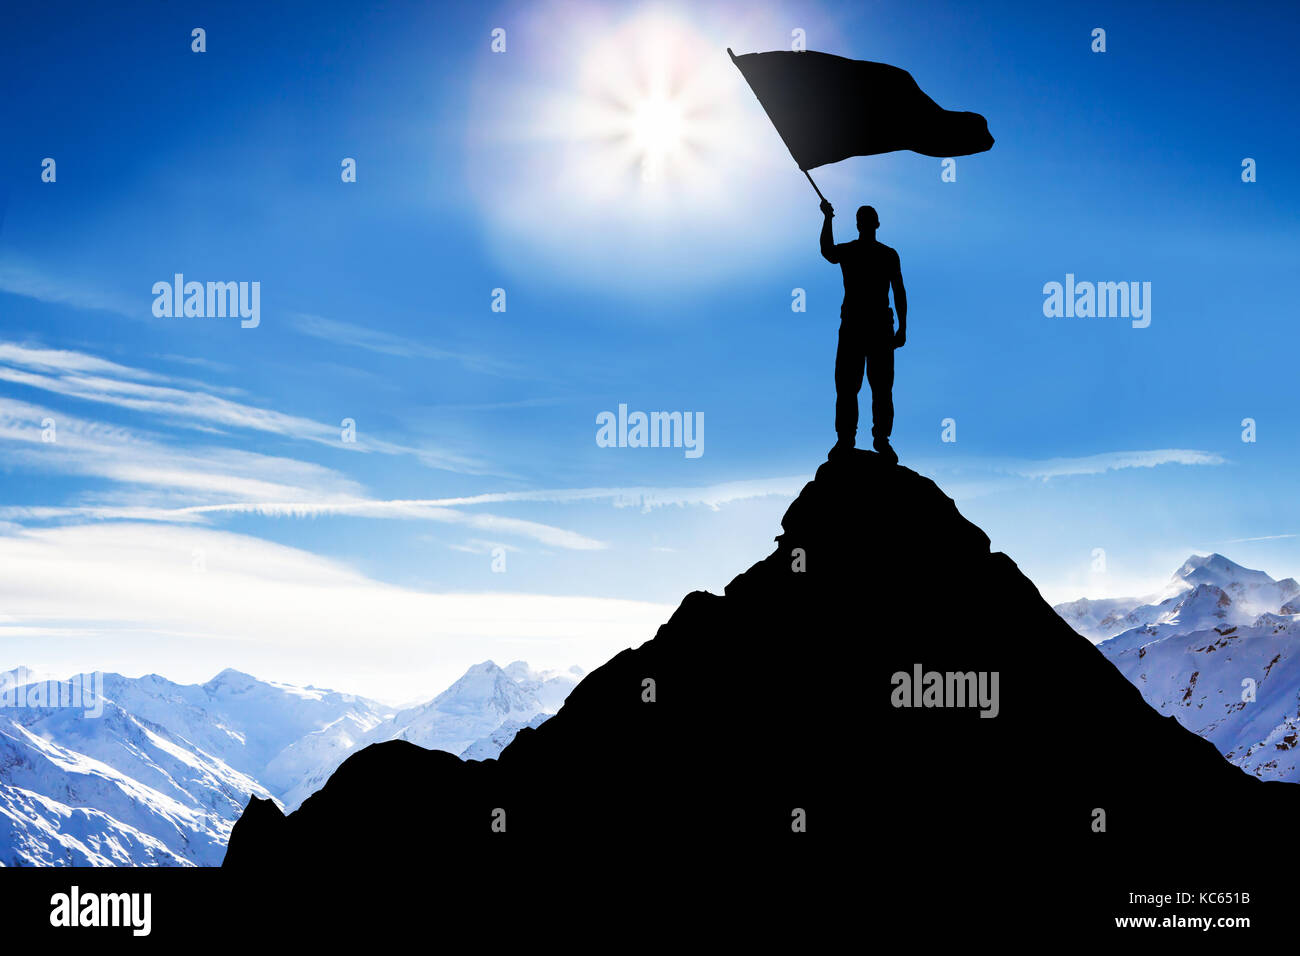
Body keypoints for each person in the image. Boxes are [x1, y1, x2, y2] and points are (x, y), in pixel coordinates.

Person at [819, 200, 907, 464]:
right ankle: (849, 439)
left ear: (872, 224)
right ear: (861, 224)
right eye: (863, 220)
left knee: (878, 388)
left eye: (867, 220)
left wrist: (902, 327)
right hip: (858, 328)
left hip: (876, 328)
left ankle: (878, 439)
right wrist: (827, 218)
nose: (866, 224)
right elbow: (828, 252)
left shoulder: (887, 254)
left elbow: (899, 291)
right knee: (851, 387)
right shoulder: (857, 251)